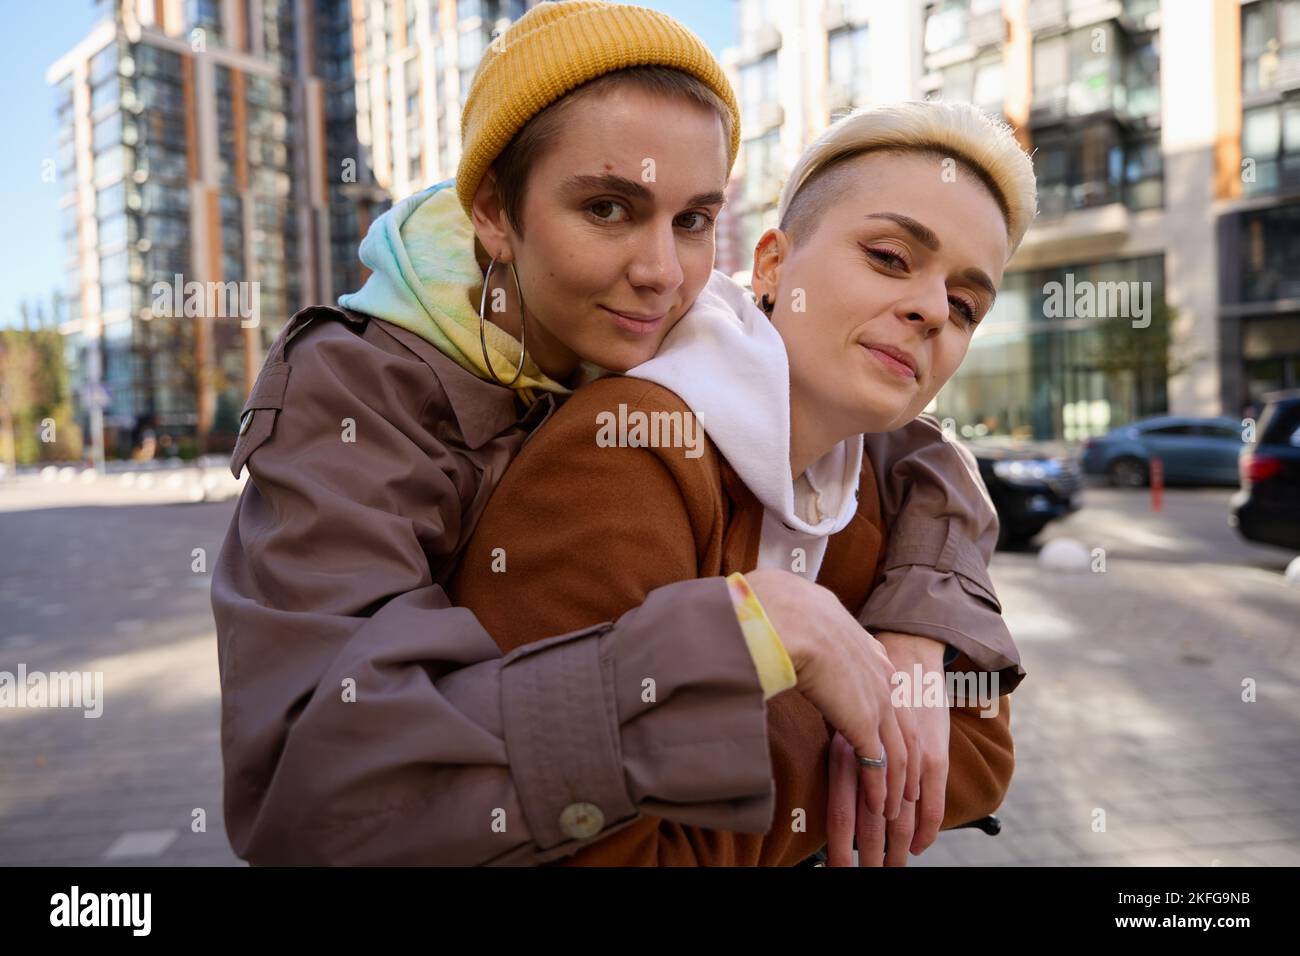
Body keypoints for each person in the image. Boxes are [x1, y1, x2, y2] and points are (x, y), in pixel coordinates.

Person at [211, 0, 1022, 866]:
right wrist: (753, 637)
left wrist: (915, 627)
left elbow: (920, 451)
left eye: (694, 219)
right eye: (607, 207)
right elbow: (321, 790)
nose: (661, 272)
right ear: (493, 209)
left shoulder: (691, 334)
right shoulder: (362, 394)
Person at [450, 99, 1037, 865]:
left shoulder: (871, 483)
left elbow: (983, 756)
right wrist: (856, 733)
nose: (930, 309)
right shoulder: (628, 444)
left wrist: (912, 636)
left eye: (965, 305)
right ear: (771, 265)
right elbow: (580, 834)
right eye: (890, 257)